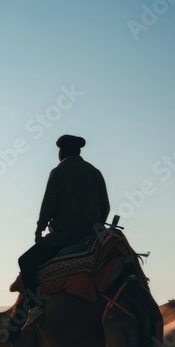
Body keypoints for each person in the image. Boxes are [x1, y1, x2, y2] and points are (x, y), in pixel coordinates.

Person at [19, 135, 110, 329]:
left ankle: (35, 308)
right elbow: (106, 208)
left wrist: (39, 228)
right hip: (92, 238)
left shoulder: (59, 172)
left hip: (64, 238)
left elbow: (48, 206)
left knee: (25, 261)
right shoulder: (95, 173)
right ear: (78, 151)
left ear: (63, 152)